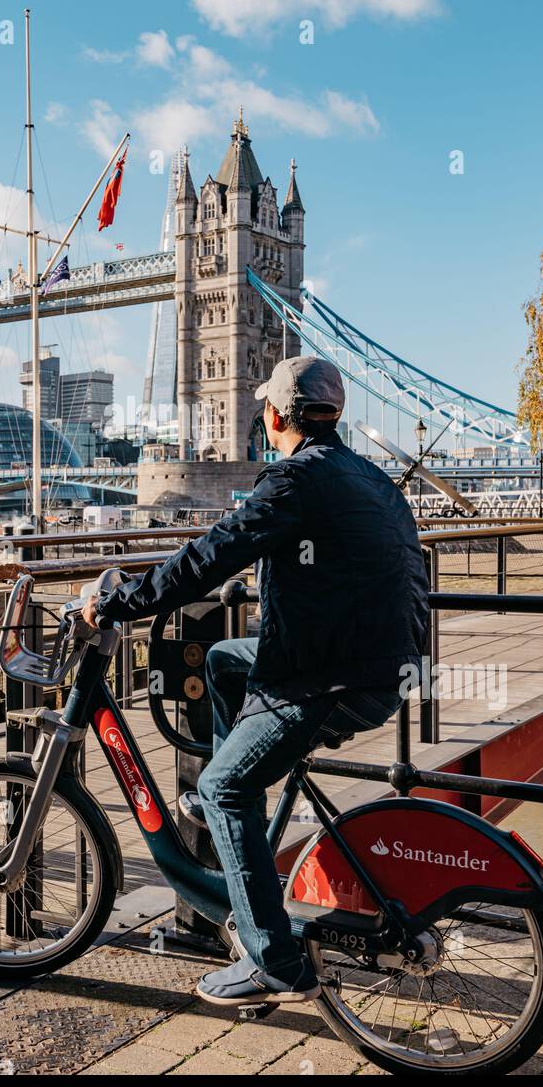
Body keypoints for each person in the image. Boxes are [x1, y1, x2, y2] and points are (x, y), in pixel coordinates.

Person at [83, 356, 430, 1009]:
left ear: (272, 416)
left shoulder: (294, 480)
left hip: (330, 678)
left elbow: (208, 558)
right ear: (334, 414)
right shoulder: (370, 476)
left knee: (224, 786)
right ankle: (223, 807)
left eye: (262, 411)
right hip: (388, 665)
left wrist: (122, 601)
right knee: (221, 660)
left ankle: (276, 963)